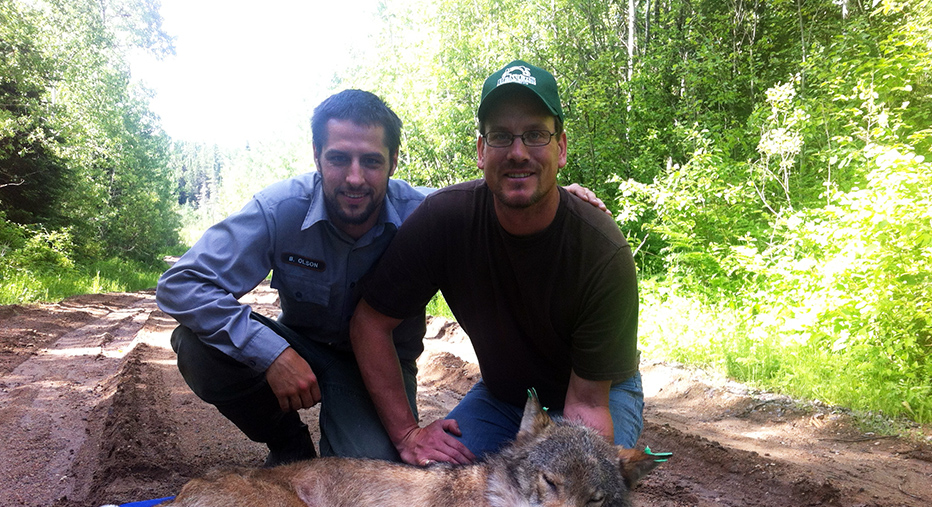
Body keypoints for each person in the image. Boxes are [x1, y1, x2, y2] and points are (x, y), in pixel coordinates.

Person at [156, 88, 607, 466]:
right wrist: (271, 354)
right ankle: (286, 443)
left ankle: (353, 431)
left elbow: (499, 202)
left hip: (381, 366)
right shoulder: (279, 210)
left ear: (393, 162)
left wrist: (556, 198)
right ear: (316, 156)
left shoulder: (429, 215)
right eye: (338, 159)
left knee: (374, 477)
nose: (354, 178)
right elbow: (181, 284)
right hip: (300, 348)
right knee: (198, 346)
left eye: (371, 161)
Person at [350, 60, 644, 469]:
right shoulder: (444, 220)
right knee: (435, 489)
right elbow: (370, 322)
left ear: (560, 148)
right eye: (501, 136)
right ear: (481, 151)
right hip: (505, 397)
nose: (518, 153)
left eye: (536, 135)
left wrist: (566, 484)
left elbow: (586, 405)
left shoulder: (600, 251)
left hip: (599, 394)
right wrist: (406, 435)